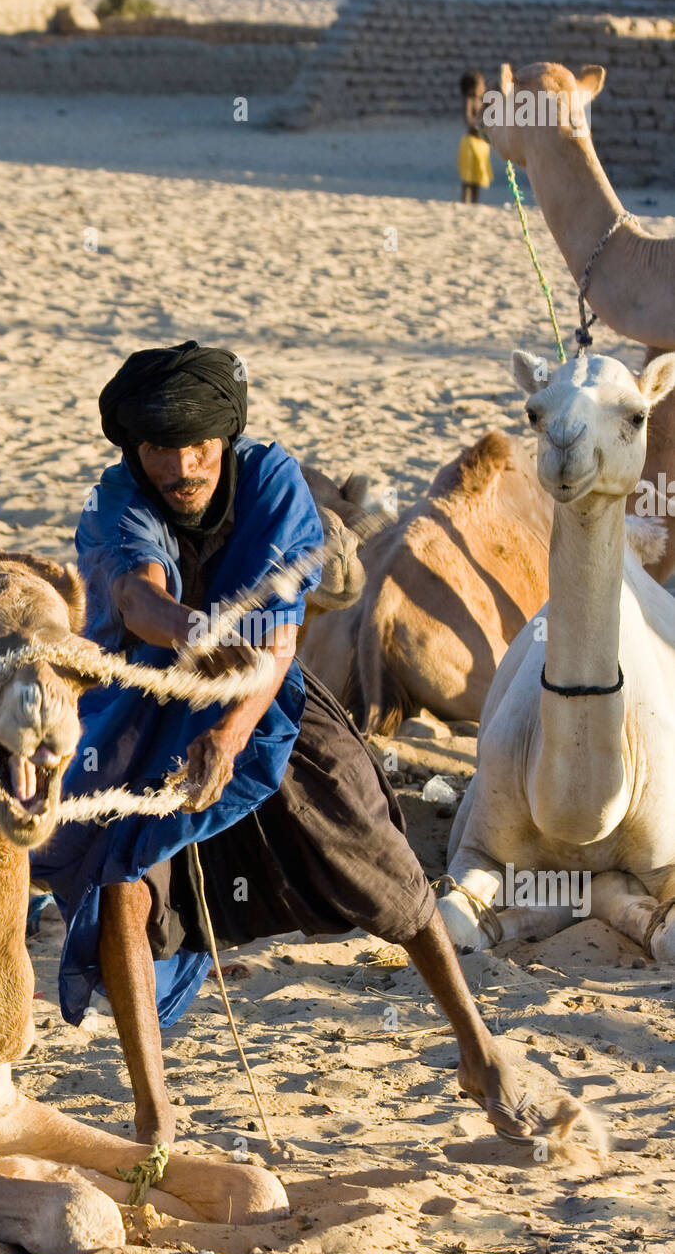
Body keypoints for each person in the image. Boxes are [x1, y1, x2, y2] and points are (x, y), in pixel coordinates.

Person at [33, 340, 573, 1151]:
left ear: (225, 440)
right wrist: (194, 633)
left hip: (267, 697)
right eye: (158, 448)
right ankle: (156, 1118)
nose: (180, 466)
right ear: (135, 450)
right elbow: (131, 594)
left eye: (198, 447)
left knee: (376, 853)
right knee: (124, 873)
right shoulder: (119, 498)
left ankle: (476, 1045)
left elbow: (279, 639)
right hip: (150, 698)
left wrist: (227, 730)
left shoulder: (273, 481)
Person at [458, 69, 493, 204]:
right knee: (468, 178)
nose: (483, 86)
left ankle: (474, 203)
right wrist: (479, 124)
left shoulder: (483, 101)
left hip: (481, 144)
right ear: (473, 88)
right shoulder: (470, 100)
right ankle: (465, 202)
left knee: (477, 178)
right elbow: (468, 119)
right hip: (470, 143)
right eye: (481, 84)